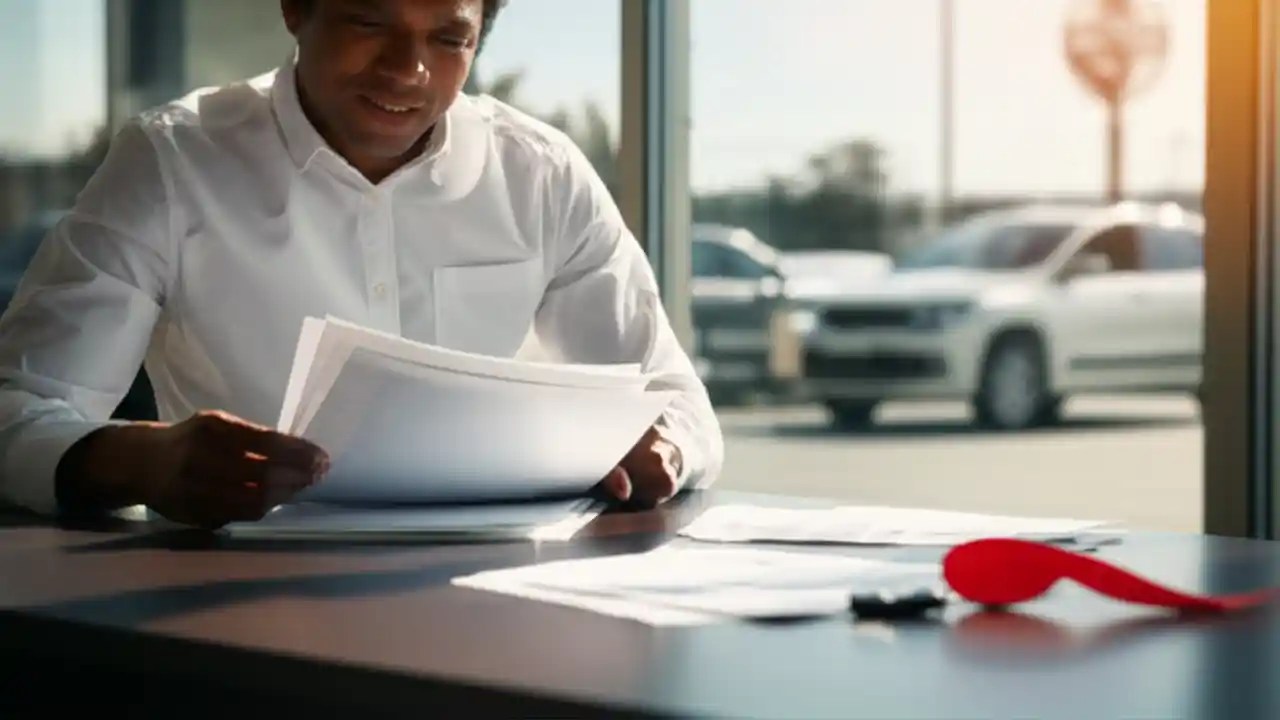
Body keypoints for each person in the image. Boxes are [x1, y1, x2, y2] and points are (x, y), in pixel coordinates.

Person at [0, 0, 723, 529]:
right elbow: (17, 412)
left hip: (499, 601)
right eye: (369, 23)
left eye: (448, 38)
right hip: (234, 609)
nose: (408, 71)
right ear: (295, 10)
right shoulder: (173, 161)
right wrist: (143, 464)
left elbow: (679, 404)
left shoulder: (541, 174)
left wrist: (666, 448)